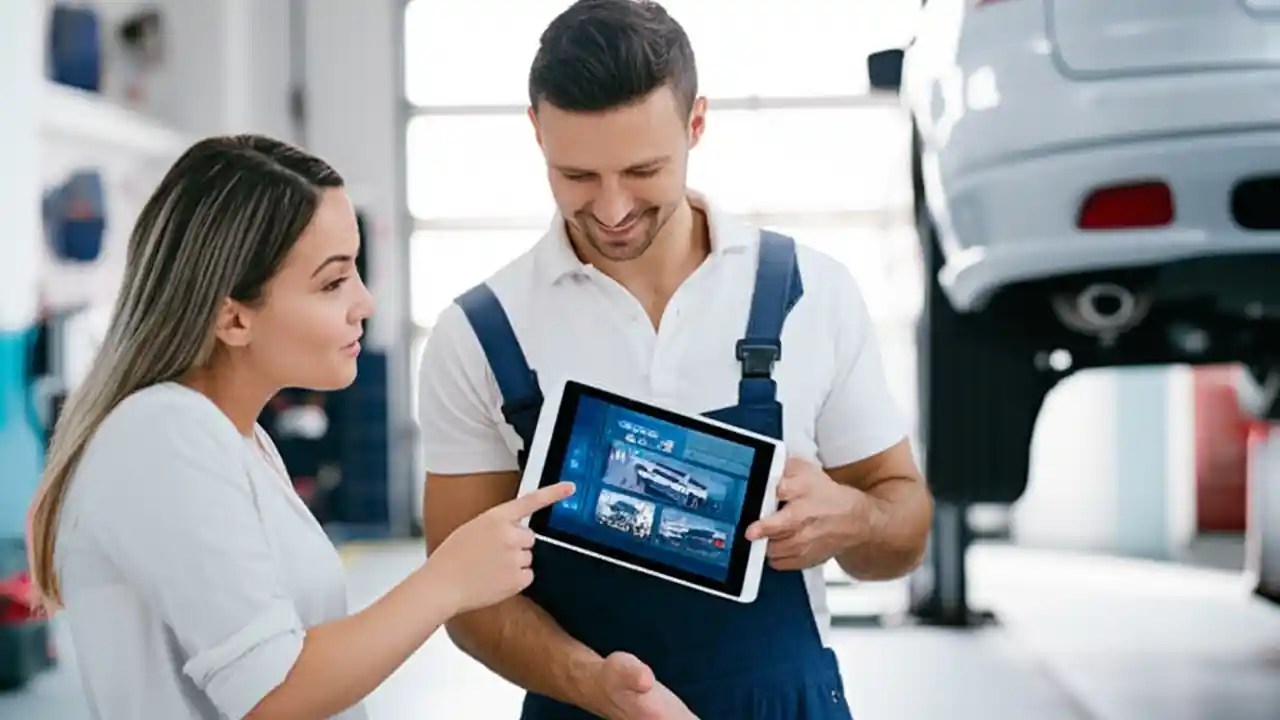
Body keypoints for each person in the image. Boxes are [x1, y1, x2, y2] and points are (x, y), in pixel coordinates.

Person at [416, 1, 935, 718]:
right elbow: (461, 596)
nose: (612, 208)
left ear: (696, 124)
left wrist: (855, 520)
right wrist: (590, 683)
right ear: (535, 132)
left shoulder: (811, 293)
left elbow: (904, 523)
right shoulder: (480, 335)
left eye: (642, 170)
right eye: (577, 176)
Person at [25, 134, 575, 720]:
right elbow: (272, 695)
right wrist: (447, 582)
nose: (364, 302)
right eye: (333, 282)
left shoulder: (237, 438)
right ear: (233, 317)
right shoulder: (162, 436)